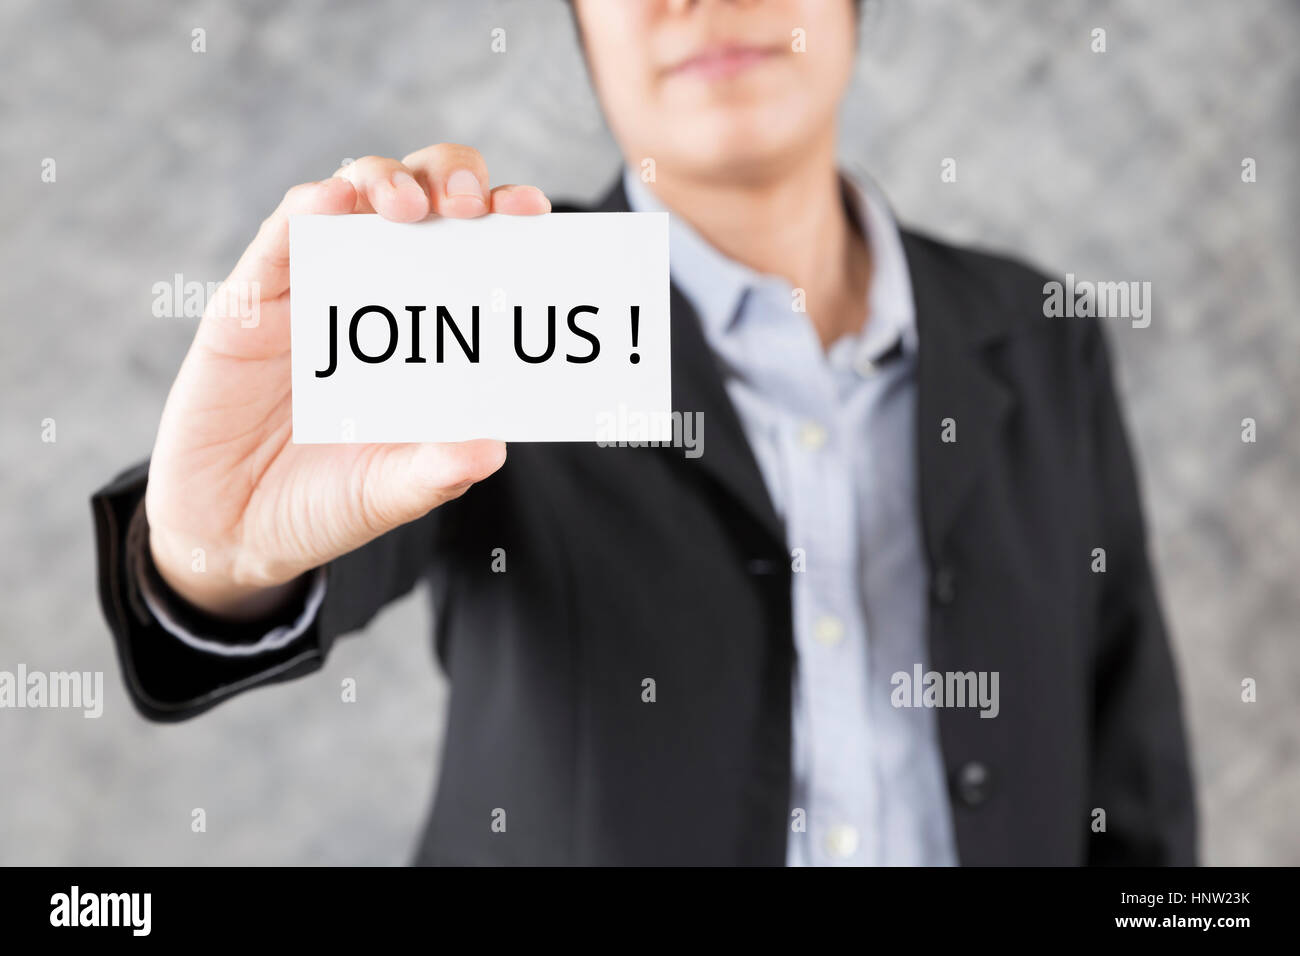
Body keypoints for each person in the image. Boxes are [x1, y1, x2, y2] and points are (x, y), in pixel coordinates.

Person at [91, 0, 1196, 865]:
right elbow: (296, 557)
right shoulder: (498, 299)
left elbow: (1129, 766)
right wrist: (209, 557)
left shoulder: (1037, 337)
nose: (702, 0)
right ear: (581, 26)